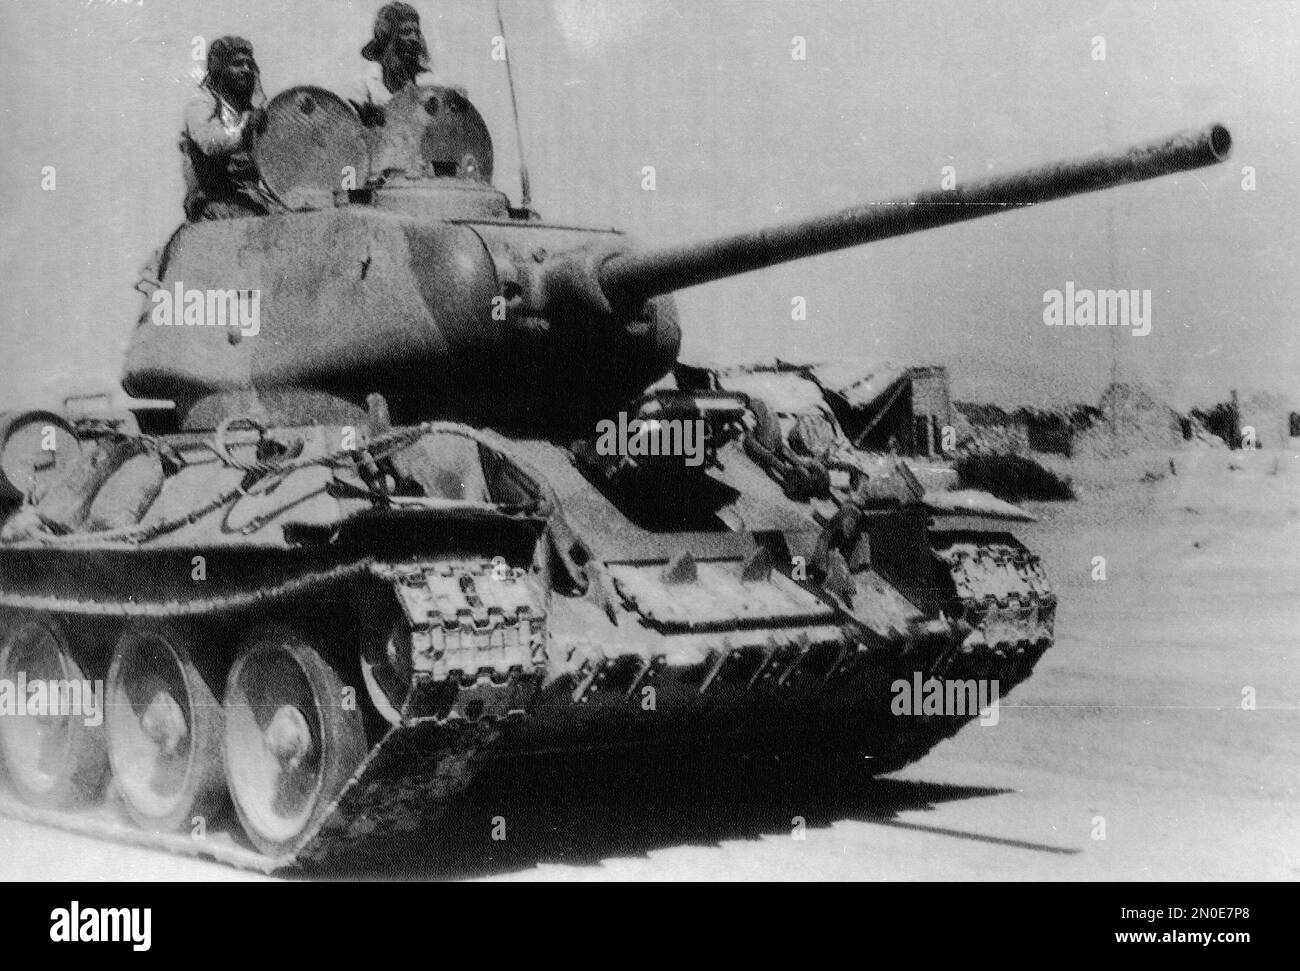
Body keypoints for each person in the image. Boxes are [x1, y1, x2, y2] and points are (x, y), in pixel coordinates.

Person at [179, 36, 277, 220]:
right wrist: (245, 129)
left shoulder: (247, 110)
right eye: (237, 64)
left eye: (249, 64)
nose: (246, 70)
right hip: (213, 203)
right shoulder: (203, 101)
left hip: (250, 198)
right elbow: (210, 142)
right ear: (221, 68)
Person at [350, 3, 437, 126]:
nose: (414, 38)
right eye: (405, 32)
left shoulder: (426, 82)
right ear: (388, 39)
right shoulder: (365, 83)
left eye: (416, 32)